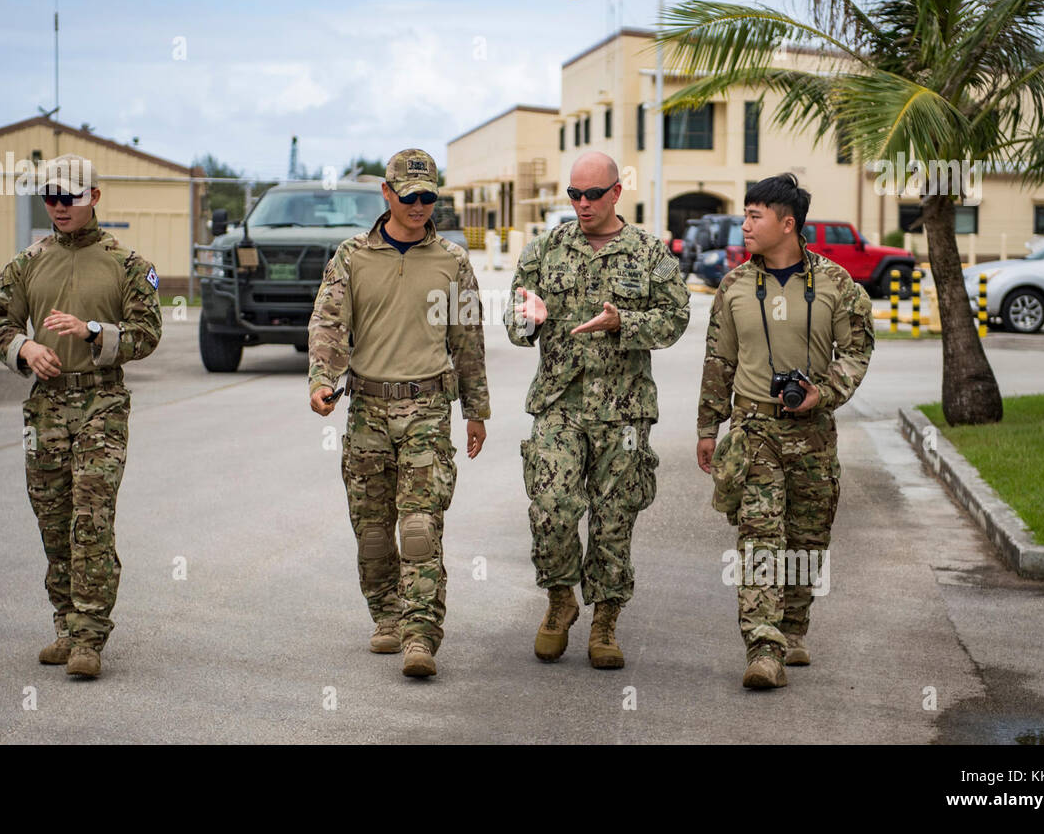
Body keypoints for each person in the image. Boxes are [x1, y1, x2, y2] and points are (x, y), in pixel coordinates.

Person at [308, 148, 489, 679]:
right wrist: (321, 380)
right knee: (371, 529)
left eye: (428, 196)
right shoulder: (351, 256)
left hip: (428, 408)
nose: (419, 205)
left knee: (418, 526)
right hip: (367, 407)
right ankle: (385, 615)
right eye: (409, 196)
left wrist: (476, 410)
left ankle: (419, 635)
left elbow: (468, 340)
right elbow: (328, 325)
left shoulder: (452, 261)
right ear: (386, 194)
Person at [506, 150, 689, 669]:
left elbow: (675, 318)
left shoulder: (649, 254)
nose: (581, 204)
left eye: (591, 194)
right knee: (553, 504)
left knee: (614, 519)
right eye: (574, 194)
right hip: (559, 403)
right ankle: (560, 599)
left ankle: (605, 619)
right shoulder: (546, 251)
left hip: (624, 410)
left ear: (616, 192)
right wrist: (531, 320)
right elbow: (514, 320)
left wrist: (622, 324)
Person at [0, 153, 162, 679]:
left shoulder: (127, 264)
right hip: (46, 405)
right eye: (51, 197)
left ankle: (89, 636)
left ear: (94, 198)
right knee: (53, 520)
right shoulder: (28, 261)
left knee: (91, 518)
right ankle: (64, 625)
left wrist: (93, 333)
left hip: (101, 404)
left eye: (70, 197)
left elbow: (147, 334)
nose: (59, 206)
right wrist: (23, 349)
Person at [697, 173, 873, 689]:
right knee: (759, 538)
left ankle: (794, 628)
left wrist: (827, 390)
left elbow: (858, 350)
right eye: (745, 215)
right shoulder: (732, 286)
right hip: (754, 431)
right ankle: (763, 646)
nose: (745, 225)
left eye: (755, 216)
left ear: (787, 223)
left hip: (814, 430)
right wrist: (708, 426)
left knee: (808, 539)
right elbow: (718, 360)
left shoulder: (838, 285)